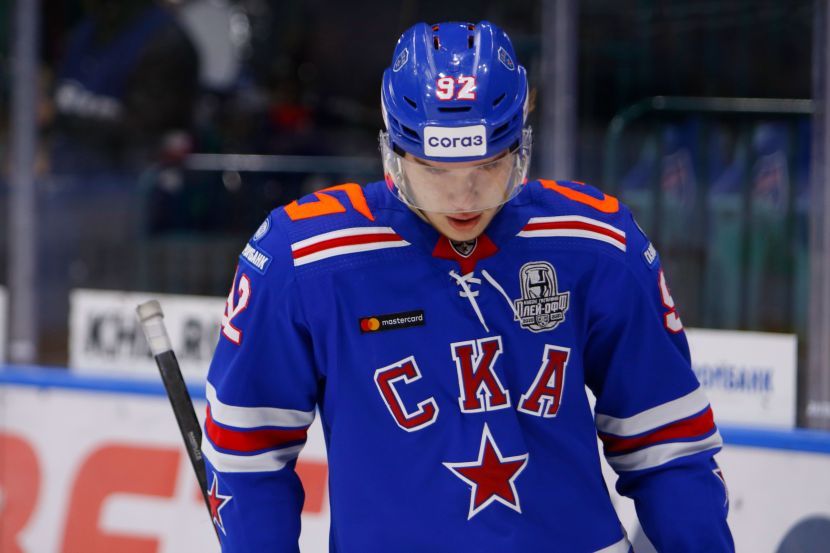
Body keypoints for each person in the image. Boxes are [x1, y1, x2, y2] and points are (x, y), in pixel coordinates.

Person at [203, 21, 734, 552]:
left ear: (520, 143)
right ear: (394, 149)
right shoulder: (303, 259)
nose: (464, 198)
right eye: (435, 170)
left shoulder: (595, 242)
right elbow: (247, 456)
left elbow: (669, 443)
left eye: (488, 165)